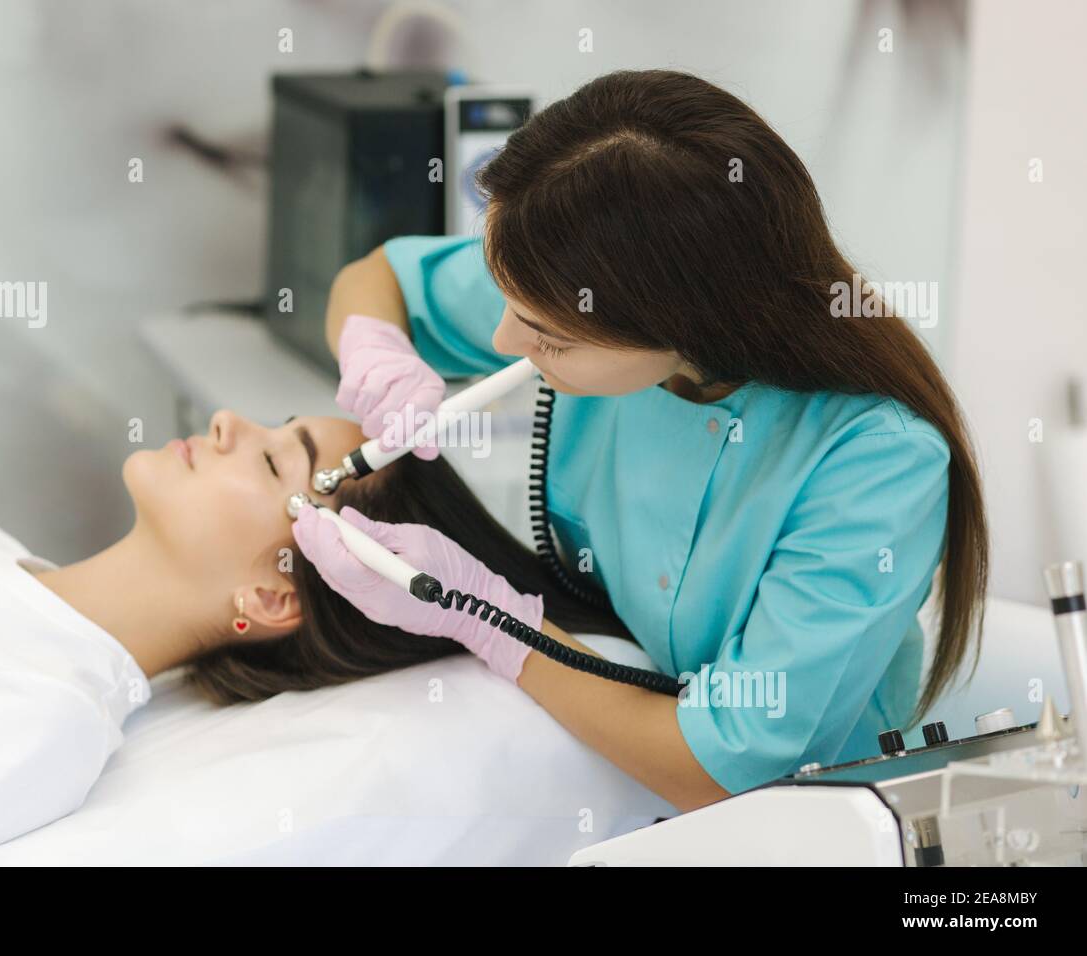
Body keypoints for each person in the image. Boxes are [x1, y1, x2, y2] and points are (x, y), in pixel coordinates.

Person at [296, 68, 988, 812]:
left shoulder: (876, 464)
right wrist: (377, 347)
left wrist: (490, 621)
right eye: (507, 303)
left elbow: (722, 767)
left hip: (799, 825)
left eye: (547, 339)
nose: (501, 340)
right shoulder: (568, 273)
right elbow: (380, 279)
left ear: (687, 324)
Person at [0, 411, 626, 865]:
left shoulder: (40, 712)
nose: (228, 422)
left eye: (272, 462)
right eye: (272, 427)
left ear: (269, 595)